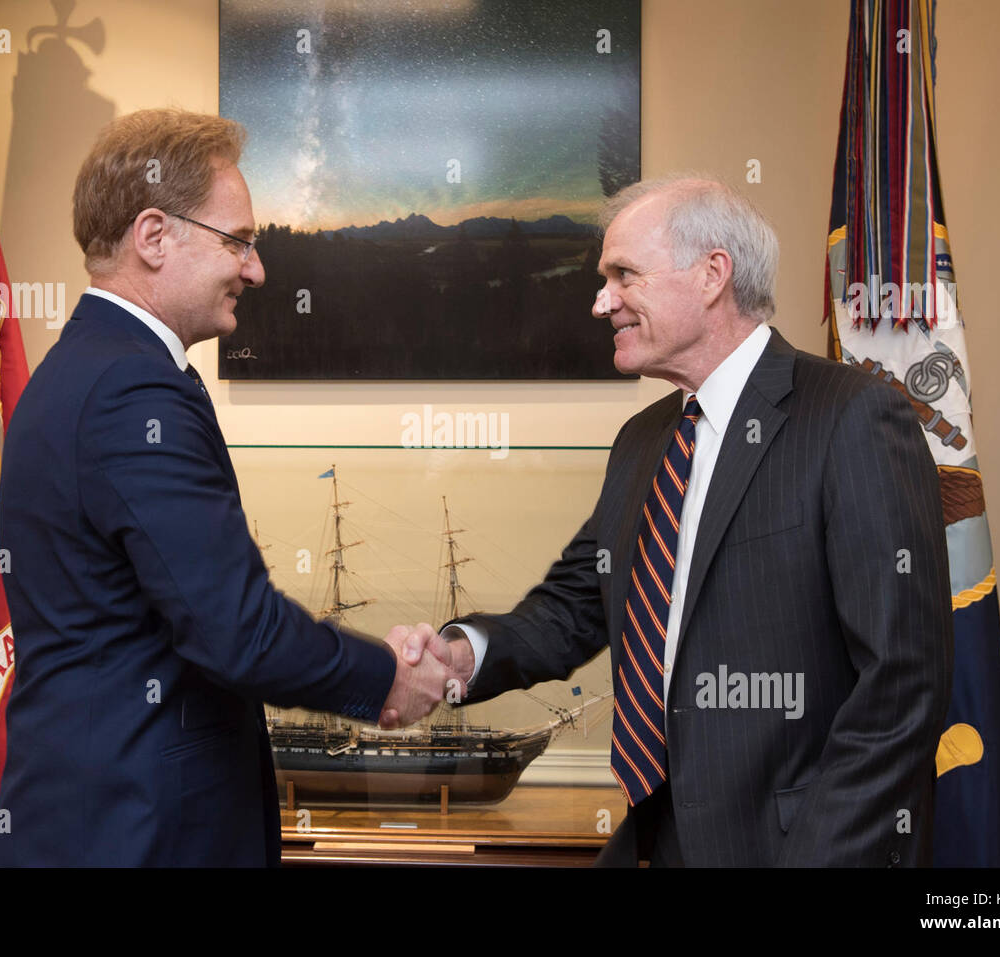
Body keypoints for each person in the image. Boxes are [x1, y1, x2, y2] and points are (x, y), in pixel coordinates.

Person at [399, 176, 953, 866]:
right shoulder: (642, 441)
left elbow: (902, 688)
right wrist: (458, 657)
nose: (601, 302)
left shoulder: (853, 417)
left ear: (712, 274)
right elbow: (569, 609)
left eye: (622, 275)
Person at [0, 109, 456, 867]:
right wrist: (386, 680)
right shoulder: (130, 390)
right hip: (140, 834)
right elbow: (236, 631)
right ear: (152, 235)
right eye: (237, 240)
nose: (256, 267)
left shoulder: (86, 369)